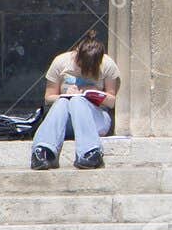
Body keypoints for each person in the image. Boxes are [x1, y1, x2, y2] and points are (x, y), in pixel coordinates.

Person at [30, 30, 120, 170]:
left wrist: (94, 93)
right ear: (77, 54)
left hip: (96, 120)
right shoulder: (60, 62)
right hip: (65, 123)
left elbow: (112, 101)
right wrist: (66, 96)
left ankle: (89, 152)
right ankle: (43, 151)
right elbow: (48, 98)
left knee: (78, 102)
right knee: (64, 102)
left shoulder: (108, 65)